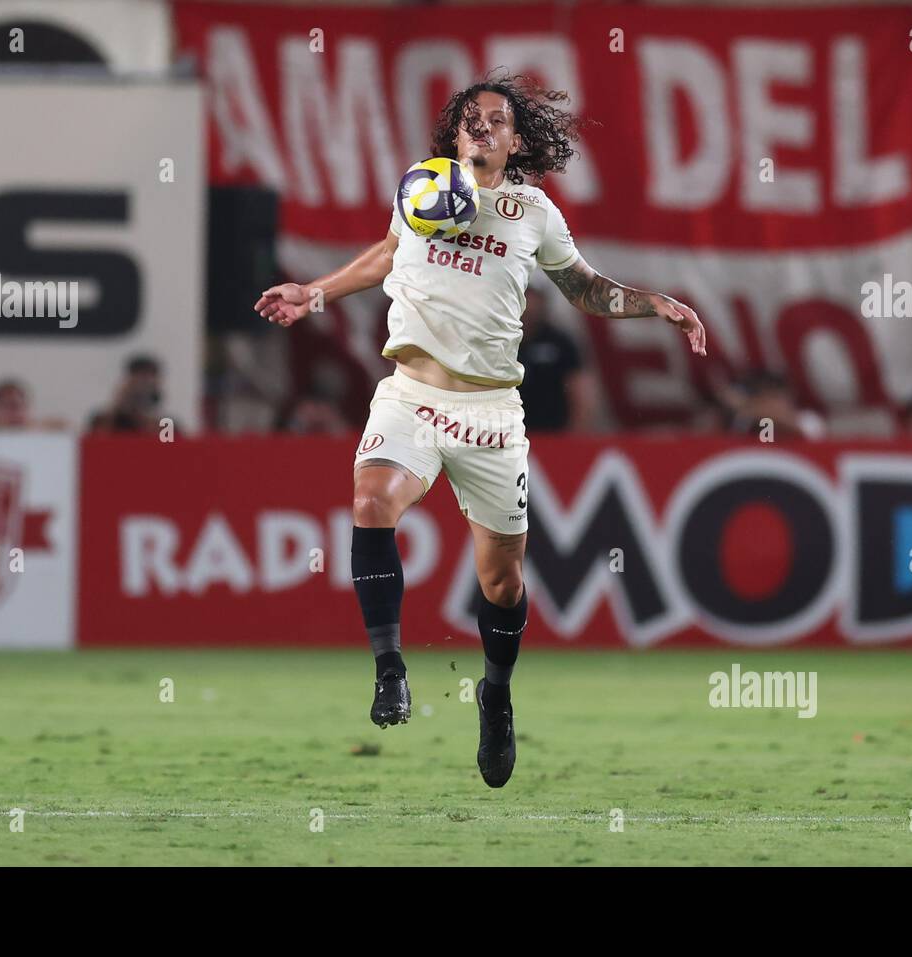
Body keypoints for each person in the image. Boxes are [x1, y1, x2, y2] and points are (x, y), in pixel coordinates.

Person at [255, 73, 705, 789]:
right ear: (456, 134)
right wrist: (313, 291)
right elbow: (387, 253)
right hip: (410, 394)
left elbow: (583, 286)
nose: (483, 129)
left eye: (497, 121)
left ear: (517, 140)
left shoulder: (532, 211)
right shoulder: (422, 187)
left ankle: (495, 695)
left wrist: (654, 303)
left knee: (501, 580)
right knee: (372, 502)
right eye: (472, 120)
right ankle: (390, 670)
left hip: (492, 412)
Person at [516, 288, 595, 432]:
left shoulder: (559, 342)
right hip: (509, 433)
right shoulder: (499, 341)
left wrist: (577, 430)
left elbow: (578, 387)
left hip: (553, 432)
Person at [87, 354, 173, 433]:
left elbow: (170, 446)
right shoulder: (106, 421)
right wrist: (118, 405)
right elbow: (97, 441)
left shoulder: (166, 425)